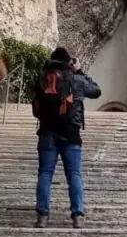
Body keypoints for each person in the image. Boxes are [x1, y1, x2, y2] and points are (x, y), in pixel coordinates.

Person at [32, 46, 102, 227]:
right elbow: (96, 91)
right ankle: (77, 215)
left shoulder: (42, 79)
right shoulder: (76, 79)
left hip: (47, 132)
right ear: (69, 62)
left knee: (45, 173)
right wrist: (80, 71)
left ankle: (42, 216)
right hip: (71, 133)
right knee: (74, 175)